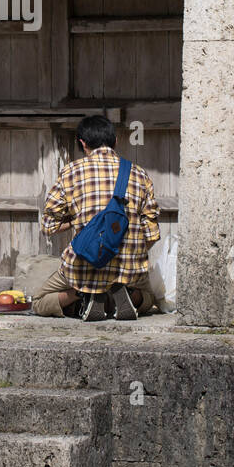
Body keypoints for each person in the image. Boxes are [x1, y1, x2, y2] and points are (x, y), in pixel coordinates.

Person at [34, 115, 160, 321]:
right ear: (115, 141)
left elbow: (48, 226)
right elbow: (152, 234)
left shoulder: (70, 172)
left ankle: (83, 293)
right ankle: (127, 296)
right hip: (127, 268)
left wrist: (75, 220)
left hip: (84, 265)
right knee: (150, 298)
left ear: (82, 143)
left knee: (39, 302)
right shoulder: (139, 174)